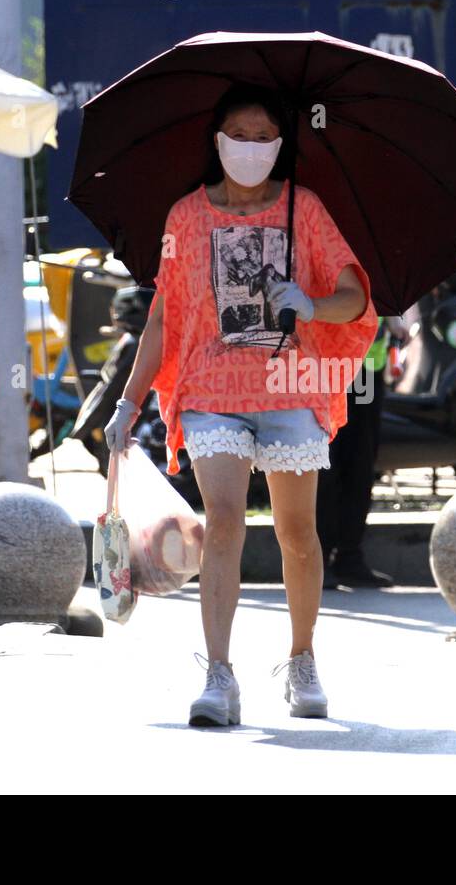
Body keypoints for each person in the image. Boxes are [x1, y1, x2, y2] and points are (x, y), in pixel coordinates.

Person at [104, 84, 378, 727]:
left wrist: (310, 304)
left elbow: (352, 295)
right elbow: (164, 317)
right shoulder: (185, 217)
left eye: (264, 137)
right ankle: (219, 677)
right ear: (217, 140)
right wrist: (127, 402)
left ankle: (303, 659)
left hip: (290, 385)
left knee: (297, 534)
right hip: (209, 390)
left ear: (281, 144)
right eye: (239, 135)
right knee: (223, 520)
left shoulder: (304, 210)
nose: (251, 148)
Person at [317, 314, 409, 589]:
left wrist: (392, 316)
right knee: (325, 467)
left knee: (360, 467)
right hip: (324, 364)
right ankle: (316, 558)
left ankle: (349, 557)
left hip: (368, 364)